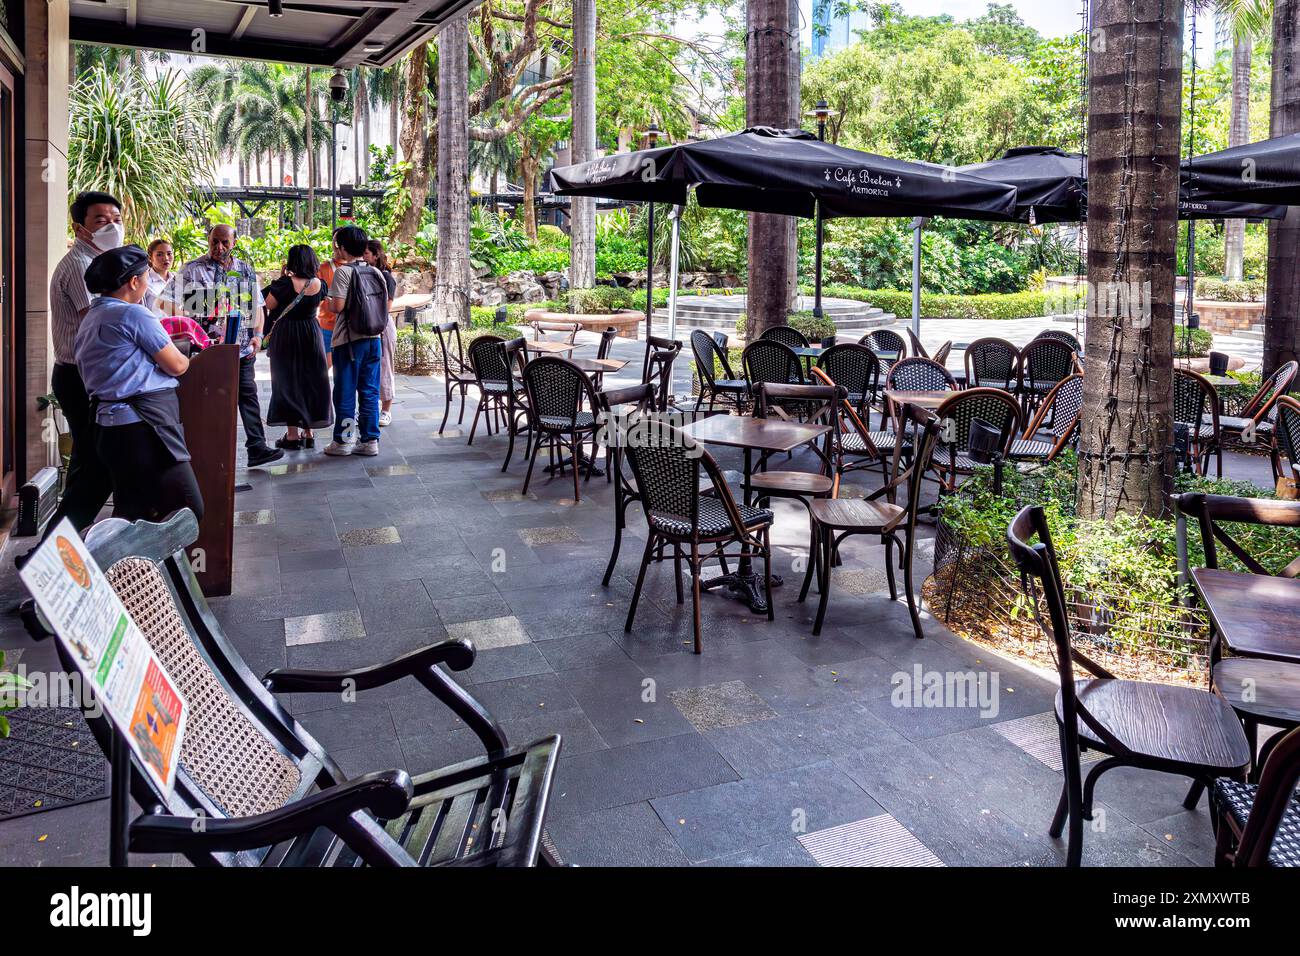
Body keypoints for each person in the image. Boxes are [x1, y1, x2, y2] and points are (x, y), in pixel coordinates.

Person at [21, 191, 124, 564]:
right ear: (80, 228)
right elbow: (98, 325)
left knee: (88, 465)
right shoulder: (83, 266)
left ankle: (51, 554)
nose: (112, 225)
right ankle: (51, 560)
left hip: (82, 375)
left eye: (115, 217)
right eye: (101, 220)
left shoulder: (97, 262)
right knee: (98, 469)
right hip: (79, 378)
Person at [75, 245, 203, 523]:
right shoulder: (133, 314)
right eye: (145, 276)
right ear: (134, 282)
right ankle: (120, 563)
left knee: (131, 512)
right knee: (187, 509)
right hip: (142, 427)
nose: (147, 282)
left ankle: (129, 566)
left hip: (109, 426)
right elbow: (178, 365)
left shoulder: (92, 316)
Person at [163, 224, 283, 467]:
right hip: (208, 352)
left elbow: (257, 307)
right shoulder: (192, 270)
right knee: (212, 402)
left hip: (242, 349)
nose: (219, 247)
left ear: (234, 243)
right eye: (214, 242)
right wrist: (193, 319)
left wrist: (258, 336)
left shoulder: (245, 270)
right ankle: (209, 457)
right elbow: (165, 302)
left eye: (224, 242)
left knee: (248, 397)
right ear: (208, 241)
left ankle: (257, 448)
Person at [324, 226, 388, 457]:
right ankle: (370, 441)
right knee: (370, 391)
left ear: (342, 248)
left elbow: (338, 307)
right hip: (374, 340)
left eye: (336, 244)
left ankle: (344, 441)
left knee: (345, 391)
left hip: (349, 342)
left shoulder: (344, 272)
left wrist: (328, 300)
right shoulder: (375, 272)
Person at [264, 245, 332, 450]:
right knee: (309, 380)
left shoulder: (284, 283)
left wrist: (283, 276)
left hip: (287, 334)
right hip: (311, 333)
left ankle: (292, 435)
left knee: (287, 381)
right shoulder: (319, 284)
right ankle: (309, 432)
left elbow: (269, 305)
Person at [363, 239, 398, 426]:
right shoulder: (366, 274)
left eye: (367, 253)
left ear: (376, 255)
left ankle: (386, 410)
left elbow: (387, 307)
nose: (363, 257)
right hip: (371, 325)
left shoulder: (385, 277)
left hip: (382, 325)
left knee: (385, 368)